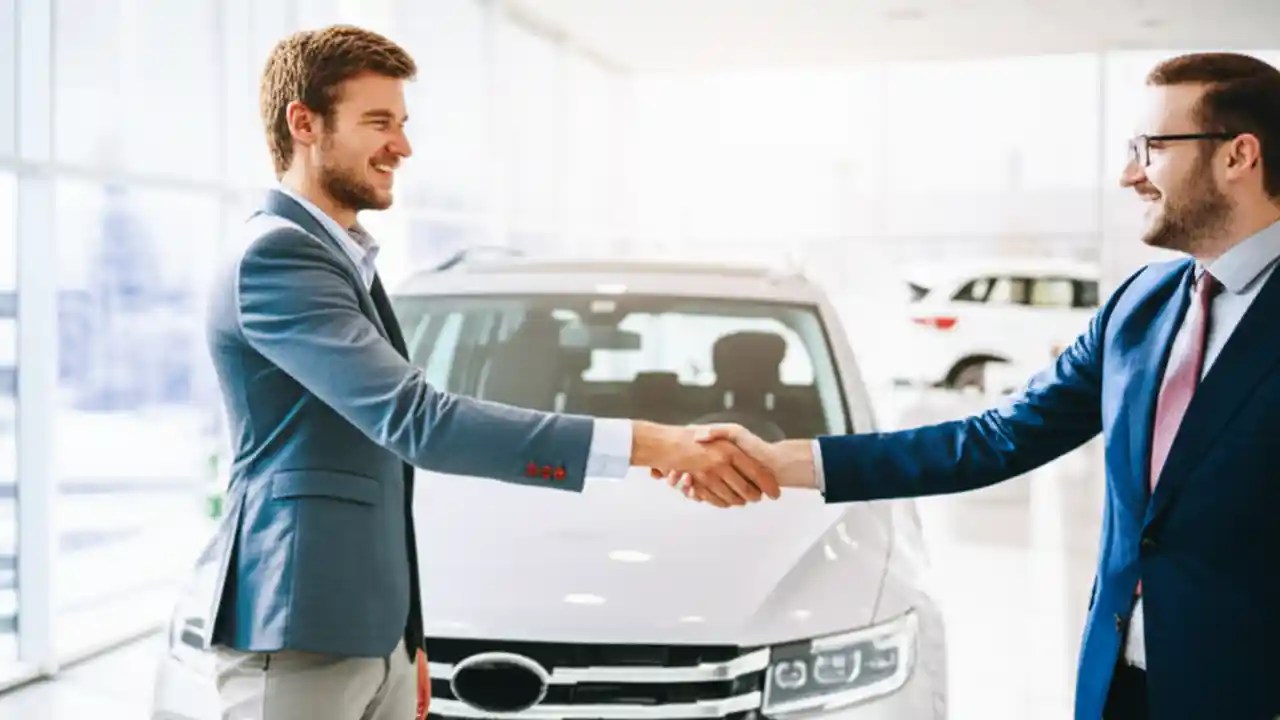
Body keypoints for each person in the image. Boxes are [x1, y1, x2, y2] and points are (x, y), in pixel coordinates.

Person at [678, 52, 1280, 720]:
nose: (1128, 173)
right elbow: (996, 437)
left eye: (1150, 147)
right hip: (1121, 688)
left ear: (1238, 156)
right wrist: (781, 460)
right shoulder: (1140, 305)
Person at [199, 25, 777, 720]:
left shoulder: (339, 258)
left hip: (361, 632)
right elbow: (419, 423)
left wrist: (402, 640)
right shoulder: (279, 259)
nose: (402, 146)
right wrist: (653, 444)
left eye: (403, 124)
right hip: (298, 630)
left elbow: (373, 473)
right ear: (304, 123)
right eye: (378, 122)